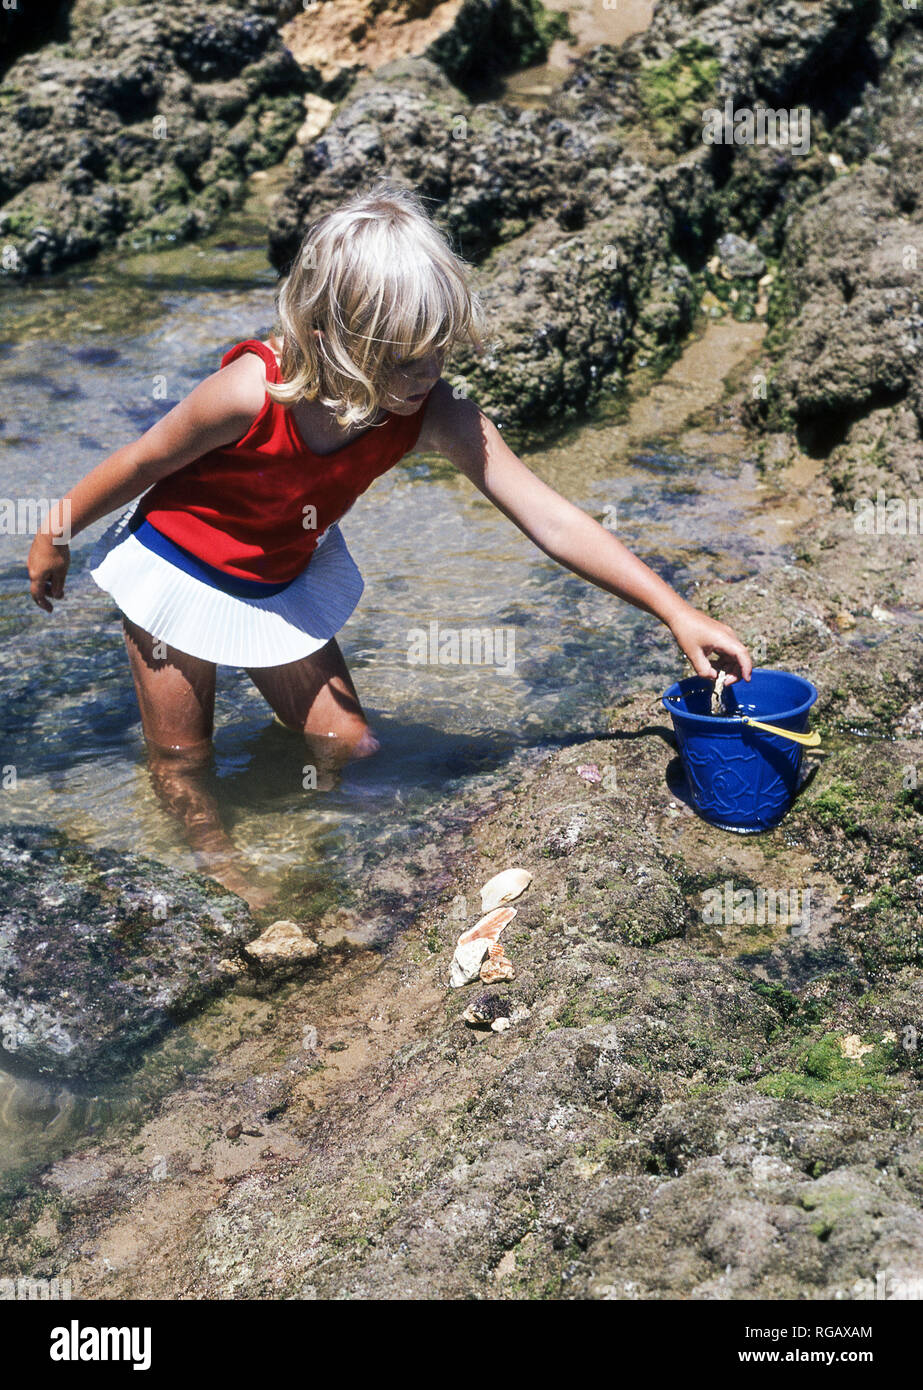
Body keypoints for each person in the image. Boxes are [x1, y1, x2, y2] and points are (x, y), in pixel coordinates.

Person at [26, 181, 751, 903]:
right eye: (401, 361)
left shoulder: (431, 412)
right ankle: (228, 882)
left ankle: (316, 854)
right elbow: (141, 462)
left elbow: (548, 516)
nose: (423, 377)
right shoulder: (250, 392)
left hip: (278, 581)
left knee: (349, 747)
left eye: (435, 354)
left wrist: (674, 612)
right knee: (185, 758)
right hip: (176, 576)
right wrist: (54, 535)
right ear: (324, 337)